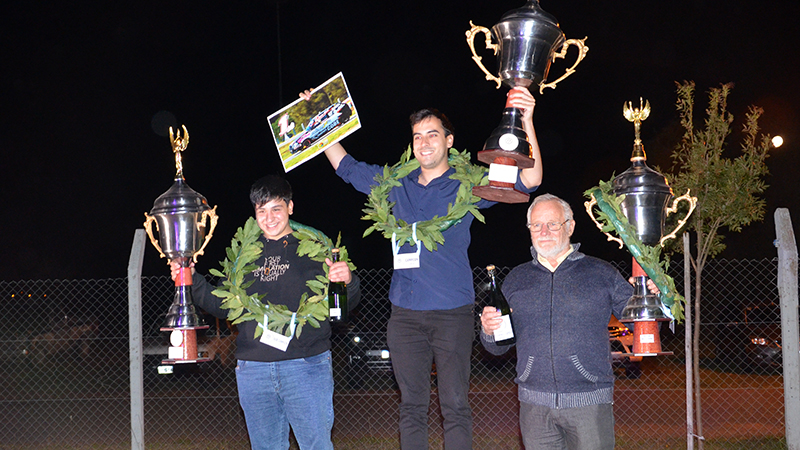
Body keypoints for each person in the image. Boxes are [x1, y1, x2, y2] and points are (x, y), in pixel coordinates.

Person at [302, 87, 543, 449]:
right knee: (411, 406)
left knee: (455, 405)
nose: (424, 143)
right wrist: (317, 116)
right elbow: (346, 167)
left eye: (432, 135)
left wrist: (527, 119)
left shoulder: (469, 185)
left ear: (449, 141)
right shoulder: (394, 185)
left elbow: (531, 180)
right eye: (417, 136)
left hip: (452, 311)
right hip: (405, 314)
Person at [169, 175, 361, 450]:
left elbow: (341, 306)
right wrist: (191, 279)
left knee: (316, 445)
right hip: (254, 369)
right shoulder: (244, 256)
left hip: (305, 366)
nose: (269, 218)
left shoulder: (316, 250)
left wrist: (348, 281)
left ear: (290, 207)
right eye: (261, 211)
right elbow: (223, 305)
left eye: (276, 209)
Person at [480, 193, 658, 450]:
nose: (544, 232)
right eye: (536, 225)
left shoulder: (601, 273)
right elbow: (497, 348)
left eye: (553, 224)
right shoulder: (516, 279)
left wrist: (649, 298)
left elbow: (646, 330)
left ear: (570, 226)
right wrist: (488, 331)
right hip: (534, 407)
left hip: (589, 402)